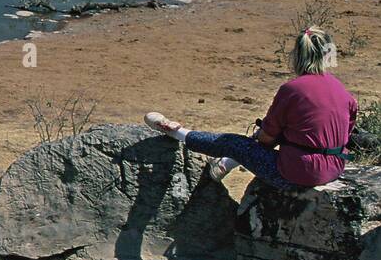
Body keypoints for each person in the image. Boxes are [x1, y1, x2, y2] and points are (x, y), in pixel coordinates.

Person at [146, 26, 358, 189]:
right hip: (334, 168)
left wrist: (264, 136)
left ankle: (178, 133)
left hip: (299, 174)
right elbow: (340, 136)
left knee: (233, 142)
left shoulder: (292, 90)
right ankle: (226, 164)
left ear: (298, 56)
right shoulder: (342, 90)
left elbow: (267, 138)